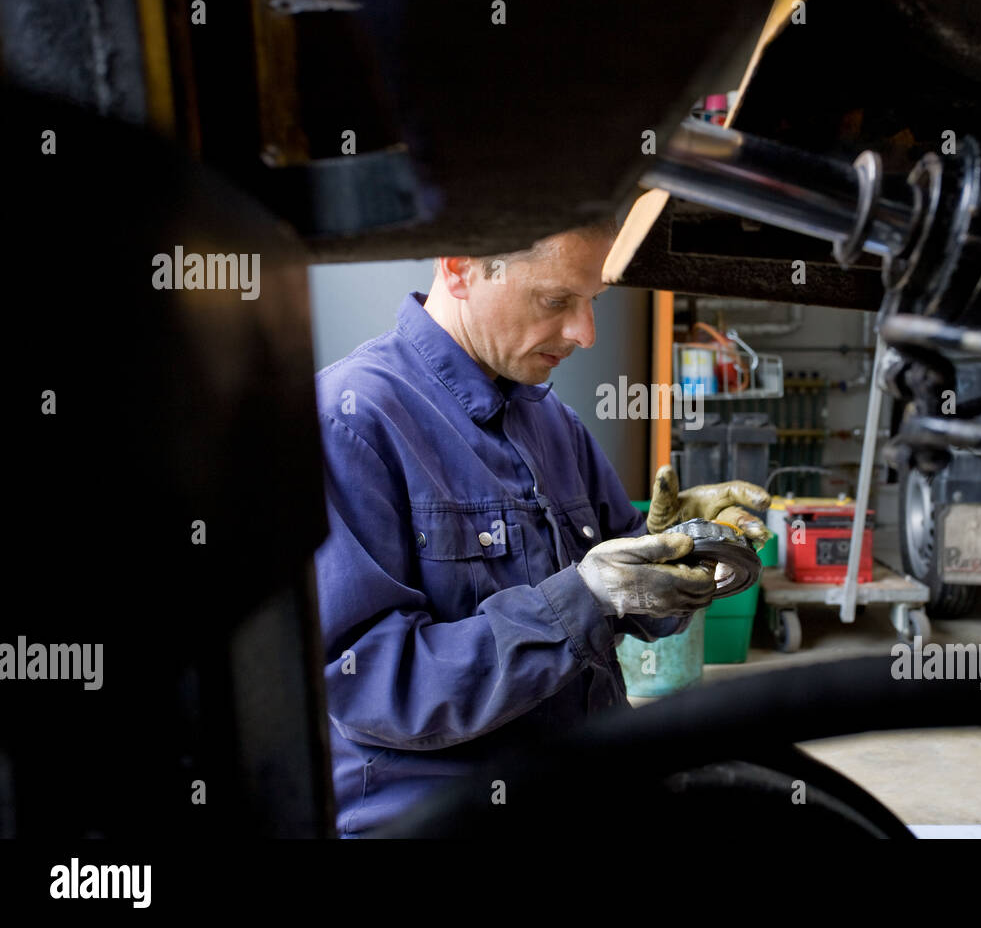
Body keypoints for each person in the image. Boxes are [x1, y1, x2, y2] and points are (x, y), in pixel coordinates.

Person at [313, 222, 770, 836]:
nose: (586, 334)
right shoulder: (352, 420)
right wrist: (584, 600)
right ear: (460, 265)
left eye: (594, 302)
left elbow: (638, 610)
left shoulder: (550, 419)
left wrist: (678, 548)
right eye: (556, 301)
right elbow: (368, 686)